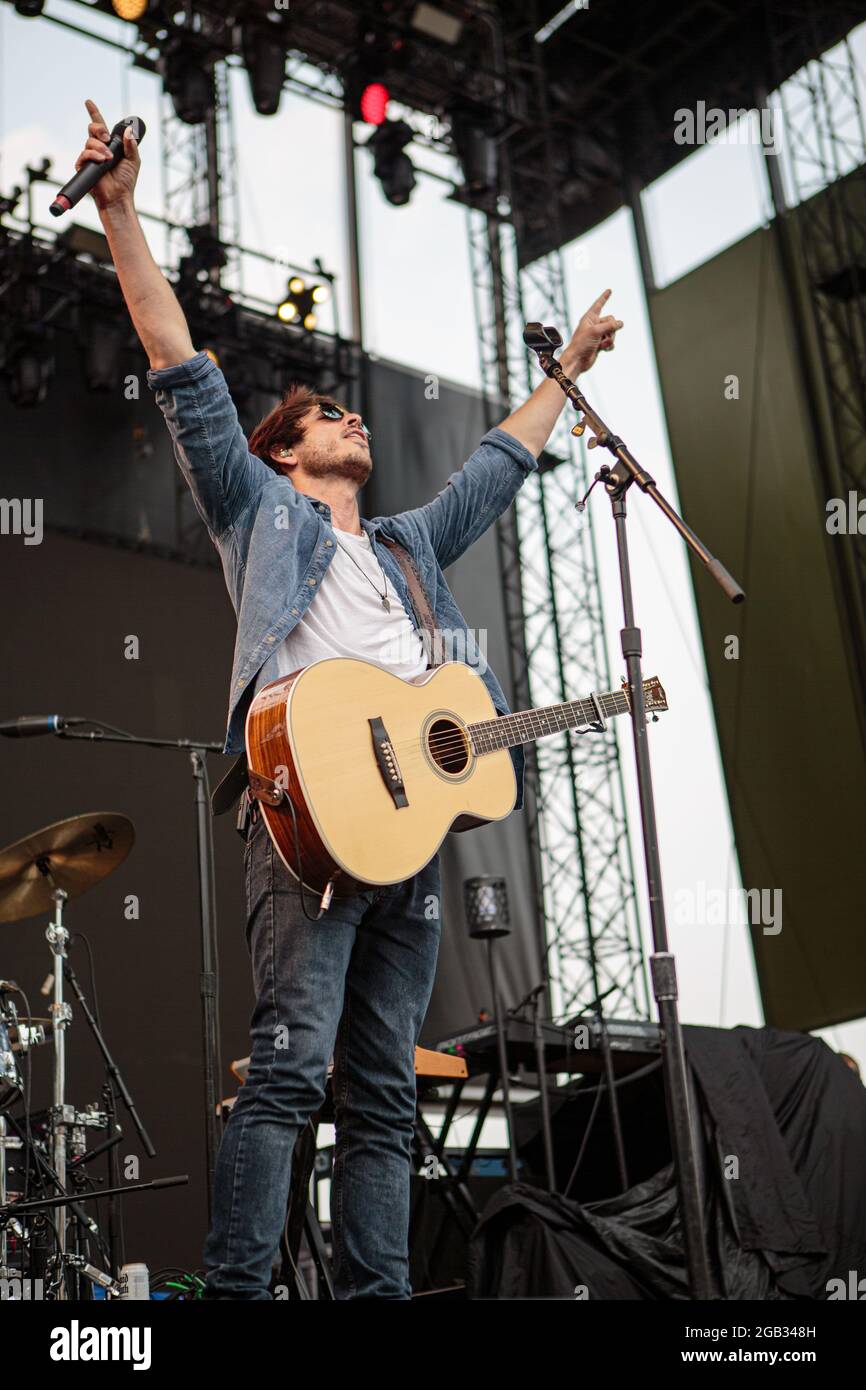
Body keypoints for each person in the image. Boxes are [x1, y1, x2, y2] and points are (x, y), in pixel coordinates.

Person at [75, 98, 623, 1299]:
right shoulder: (255, 508)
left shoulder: (407, 547)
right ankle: (233, 1293)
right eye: (328, 413)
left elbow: (495, 468)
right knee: (287, 1072)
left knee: (380, 1092)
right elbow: (179, 366)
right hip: (302, 817)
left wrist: (569, 377)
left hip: (402, 847)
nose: (351, 417)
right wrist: (120, 213)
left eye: (349, 410)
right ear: (281, 451)